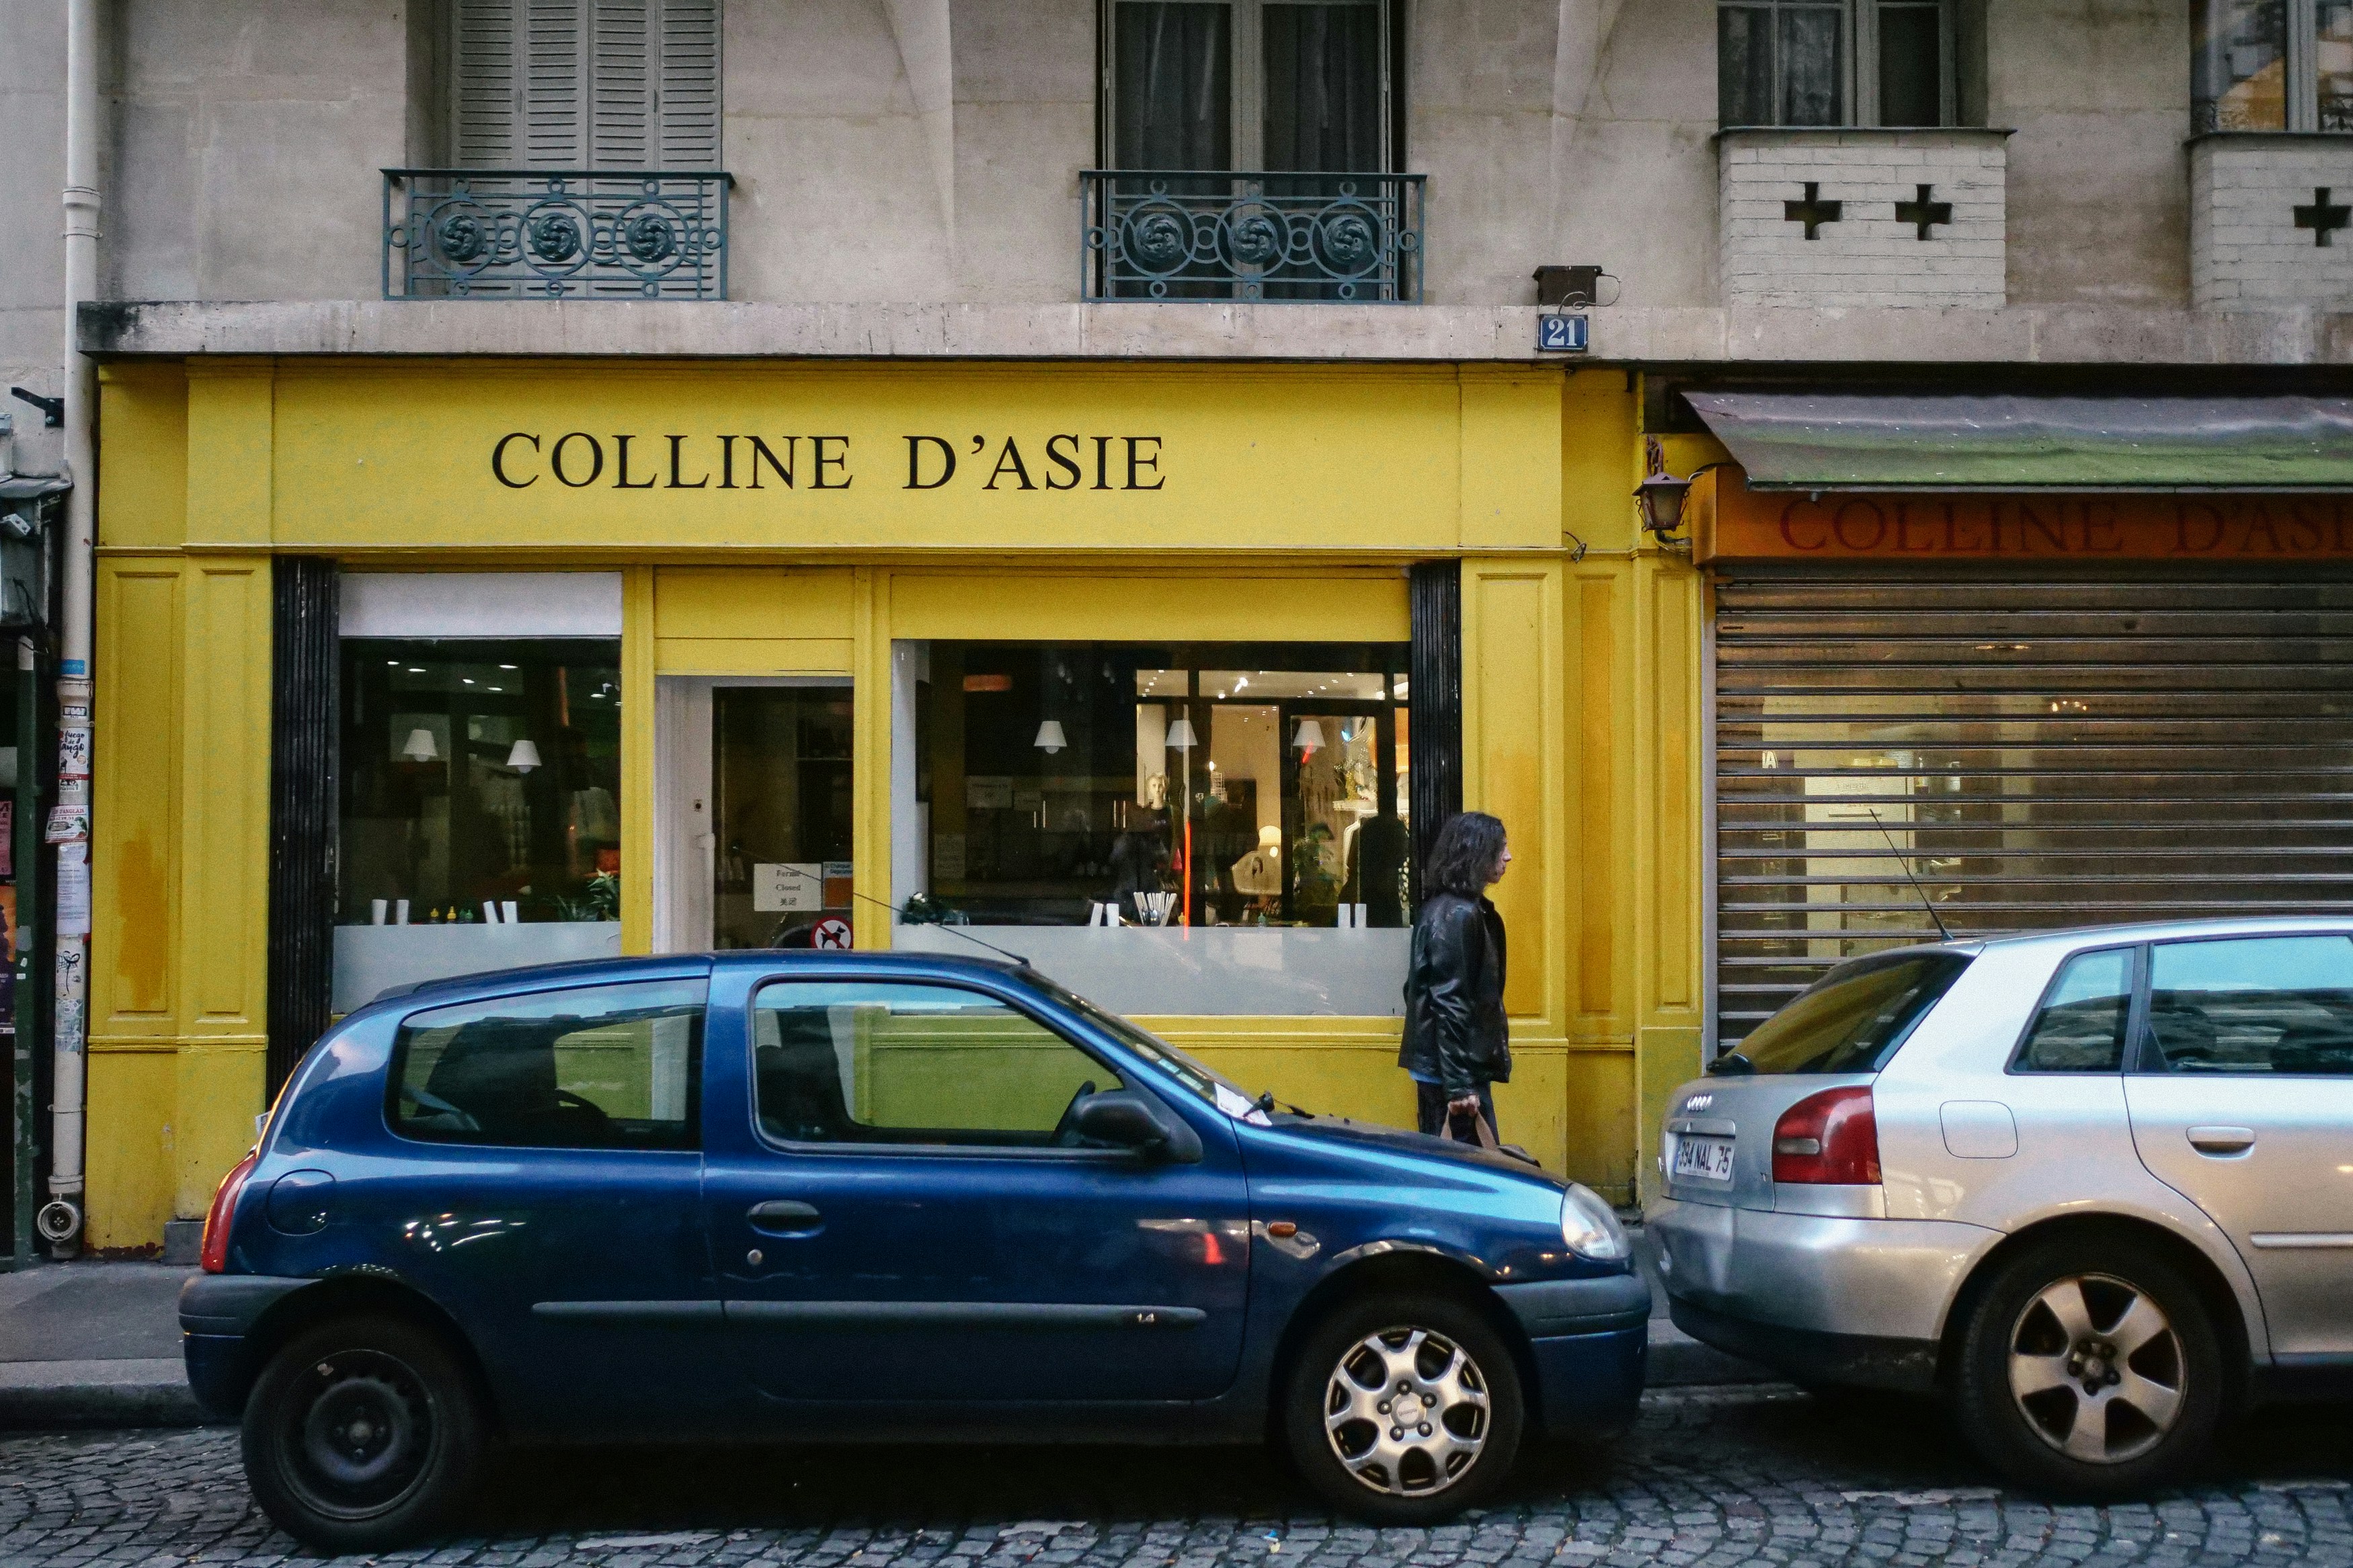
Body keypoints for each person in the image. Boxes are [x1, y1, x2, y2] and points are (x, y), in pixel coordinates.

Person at [1398, 811, 1512, 1143]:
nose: (1508, 856)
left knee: (1456, 1161)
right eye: (1500, 848)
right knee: (1471, 1166)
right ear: (1477, 852)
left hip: (1448, 1067)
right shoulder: (1458, 914)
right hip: (1452, 1071)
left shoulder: (1456, 910)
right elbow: (1449, 1001)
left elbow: (1419, 991)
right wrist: (1460, 1086)